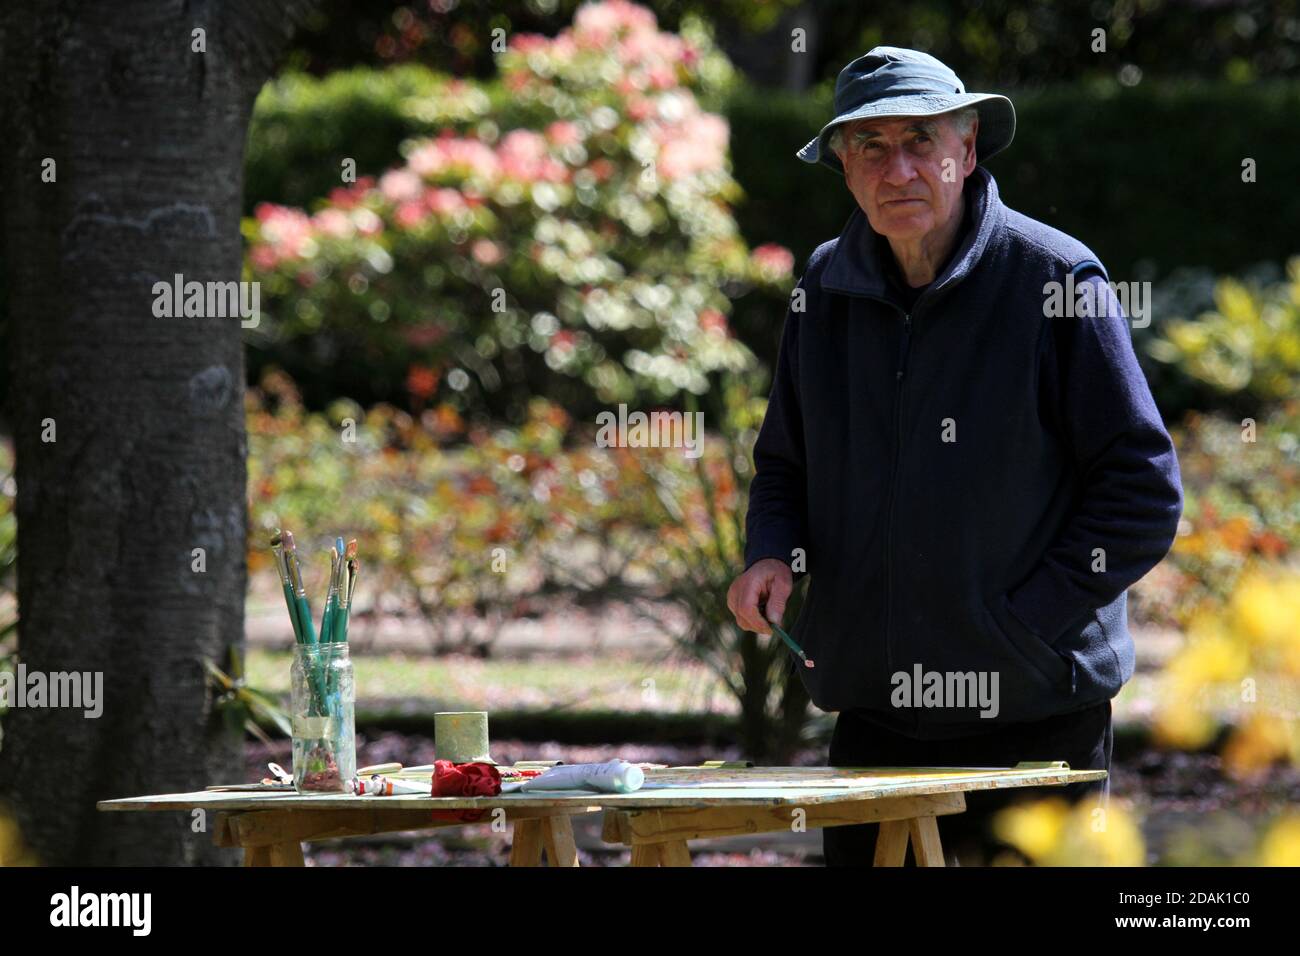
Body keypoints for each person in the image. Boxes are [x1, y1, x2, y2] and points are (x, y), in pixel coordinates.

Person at [725, 47, 1183, 865]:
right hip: (872, 712)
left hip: (1035, 715)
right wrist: (770, 553)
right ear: (842, 166)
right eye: (870, 145)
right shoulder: (825, 286)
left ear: (965, 152)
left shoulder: (1058, 278)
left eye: (919, 140)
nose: (897, 168)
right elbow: (785, 465)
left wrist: (1022, 622)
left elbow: (1141, 489)